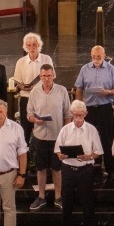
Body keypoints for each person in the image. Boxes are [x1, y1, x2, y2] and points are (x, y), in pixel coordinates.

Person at [54, 100, 104, 226]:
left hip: (85, 170)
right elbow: (57, 150)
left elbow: (98, 151)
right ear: (71, 114)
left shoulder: (91, 130)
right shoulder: (65, 130)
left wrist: (89, 157)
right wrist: (61, 155)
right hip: (68, 170)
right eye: (75, 115)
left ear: (85, 114)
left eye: (80, 115)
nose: (77, 118)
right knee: (67, 205)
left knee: (88, 205)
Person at [26, 64, 71, 211]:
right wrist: (35, 120)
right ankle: (41, 197)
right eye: (44, 76)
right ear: (40, 77)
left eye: (49, 76)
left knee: (57, 169)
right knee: (41, 168)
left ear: (54, 76)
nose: (46, 79)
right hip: (40, 136)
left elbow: (67, 114)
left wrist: (65, 134)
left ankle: (58, 197)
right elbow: (29, 114)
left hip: (57, 136)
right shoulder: (34, 92)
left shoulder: (62, 90)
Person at [74, 46, 114, 179]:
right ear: (91, 55)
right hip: (88, 109)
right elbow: (79, 88)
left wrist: (108, 92)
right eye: (94, 57)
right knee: (89, 138)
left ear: (104, 56)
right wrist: (79, 105)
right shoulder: (85, 69)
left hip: (104, 107)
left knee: (107, 138)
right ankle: (92, 166)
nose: (96, 59)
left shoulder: (111, 69)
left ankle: (111, 167)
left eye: (99, 57)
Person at [12, 33, 54, 144]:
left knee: (44, 126)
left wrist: (36, 87)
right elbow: (18, 81)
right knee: (25, 127)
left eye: (34, 45)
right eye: (29, 45)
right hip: (26, 98)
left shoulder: (46, 59)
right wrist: (24, 87)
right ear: (25, 46)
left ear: (39, 45)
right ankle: (26, 155)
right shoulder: (21, 62)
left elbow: (52, 77)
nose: (31, 47)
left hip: (43, 98)